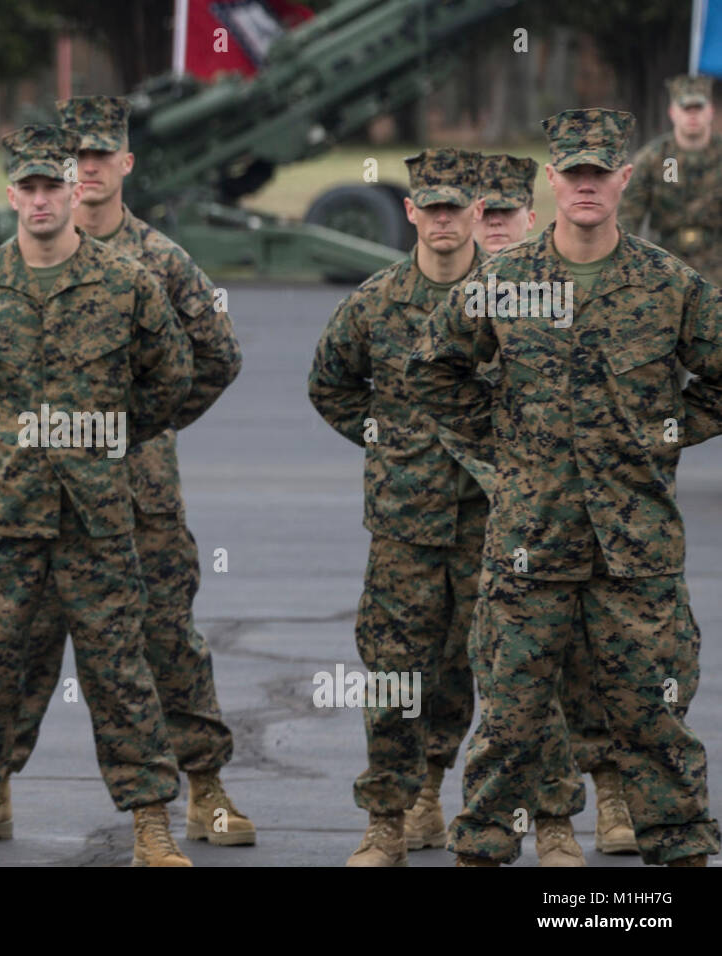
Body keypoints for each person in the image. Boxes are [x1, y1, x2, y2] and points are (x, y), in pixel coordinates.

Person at [407, 108, 722, 867]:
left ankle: (677, 846)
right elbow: (433, 368)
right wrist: (506, 443)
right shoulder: (505, 281)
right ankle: (483, 845)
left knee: (653, 712)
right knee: (512, 716)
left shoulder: (669, 286)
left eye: (598, 174)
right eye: (572, 173)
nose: (585, 186)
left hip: (635, 543)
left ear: (624, 179)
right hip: (529, 540)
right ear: (552, 181)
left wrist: (666, 431)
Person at [0, 94, 250, 849]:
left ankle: (207, 787)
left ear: (125, 163)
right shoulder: (9, 267)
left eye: (101, 157)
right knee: (13, 645)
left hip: (137, 494)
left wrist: (137, 428)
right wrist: (8, 438)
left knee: (164, 643)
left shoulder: (159, 259)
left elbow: (217, 356)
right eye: (75, 160)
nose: (87, 171)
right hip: (30, 496)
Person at [0, 124, 195, 867]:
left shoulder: (125, 283)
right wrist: (5, 438)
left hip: (99, 515)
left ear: (76, 193)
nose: (40, 200)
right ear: (12, 196)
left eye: (53, 187)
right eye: (27, 189)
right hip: (8, 515)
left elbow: (171, 377)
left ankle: (150, 823)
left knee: (120, 671)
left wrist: (107, 439)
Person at [309, 147, 486, 866]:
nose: (443, 220)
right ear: (411, 212)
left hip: (490, 517)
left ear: (477, 213)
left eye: (456, 207)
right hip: (404, 525)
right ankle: (388, 815)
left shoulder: (512, 298)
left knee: (484, 669)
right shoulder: (375, 301)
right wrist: (384, 442)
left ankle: (452, 795)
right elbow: (330, 384)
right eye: (431, 207)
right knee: (392, 671)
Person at [475, 153, 637, 863]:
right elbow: (416, 385)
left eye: (507, 215)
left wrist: (654, 438)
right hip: (482, 520)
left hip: (595, 523)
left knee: (593, 677)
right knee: (507, 690)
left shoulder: (629, 282)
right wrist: (497, 447)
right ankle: (540, 821)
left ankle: (608, 796)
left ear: (530, 214)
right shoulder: (475, 297)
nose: (493, 227)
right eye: (486, 215)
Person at [621, 75, 722, 284]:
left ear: (710, 111)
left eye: (698, 108)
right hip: (667, 266)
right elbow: (628, 216)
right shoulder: (654, 159)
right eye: (686, 109)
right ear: (672, 112)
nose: (692, 115)